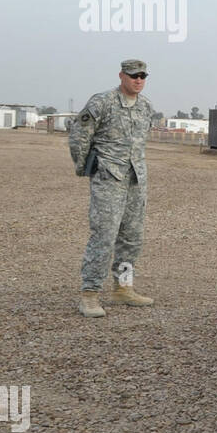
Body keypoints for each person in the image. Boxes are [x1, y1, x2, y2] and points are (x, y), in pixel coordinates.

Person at [68, 59, 157, 318]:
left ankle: (123, 288)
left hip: (135, 180)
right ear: (121, 76)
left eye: (142, 76)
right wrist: (84, 166)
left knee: (131, 238)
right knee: (104, 236)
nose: (138, 80)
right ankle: (90, 294)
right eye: (133, 76)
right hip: (108, 178)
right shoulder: (102, 102)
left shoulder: (146, 106)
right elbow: (79, 136)